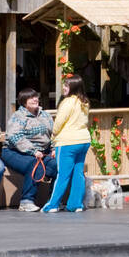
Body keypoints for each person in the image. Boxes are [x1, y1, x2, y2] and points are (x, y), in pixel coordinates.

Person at [42, 76, 91, 213]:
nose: (63, 87)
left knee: (62, 175)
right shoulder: (84, 102)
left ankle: (52, 205)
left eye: (67, 86)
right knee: (78, 173)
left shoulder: (67, 102)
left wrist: (53, 135)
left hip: (67, 142)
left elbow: (58, 125)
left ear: (73, 88)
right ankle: (76, 205)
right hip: (83, 140)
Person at [2, 88, 55, 212]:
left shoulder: (46, 115)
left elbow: (54, 134)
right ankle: (26, 201)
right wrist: (33, 151)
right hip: (14, 152)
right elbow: (15, 136)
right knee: (35, 164)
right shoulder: (18, 116)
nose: (35, 99)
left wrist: (53, 149)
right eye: (31, 97)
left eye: (36, 96)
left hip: (41, 153)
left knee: (59, 166)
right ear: (24, 101)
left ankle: (53, 200)